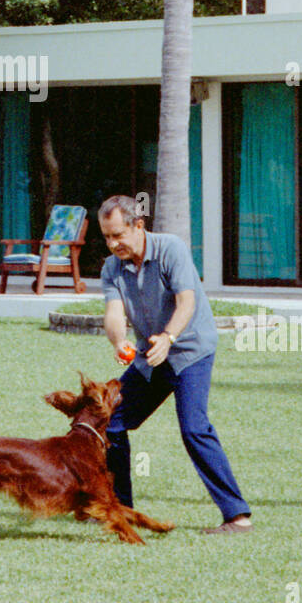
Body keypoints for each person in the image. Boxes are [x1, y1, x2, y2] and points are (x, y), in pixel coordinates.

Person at [98, 195, 252, 535]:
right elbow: (113, 313)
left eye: (119, 235)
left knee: (194, 427)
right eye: (107, 237)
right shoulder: (112, 268)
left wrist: (168, 337)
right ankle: (121, 510)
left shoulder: (171, 249)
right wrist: (117, 341)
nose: (113, 244)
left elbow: (187, 302)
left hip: (189, 350)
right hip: (150, 357)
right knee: (111, 423)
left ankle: (238, 517)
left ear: (139, 225)